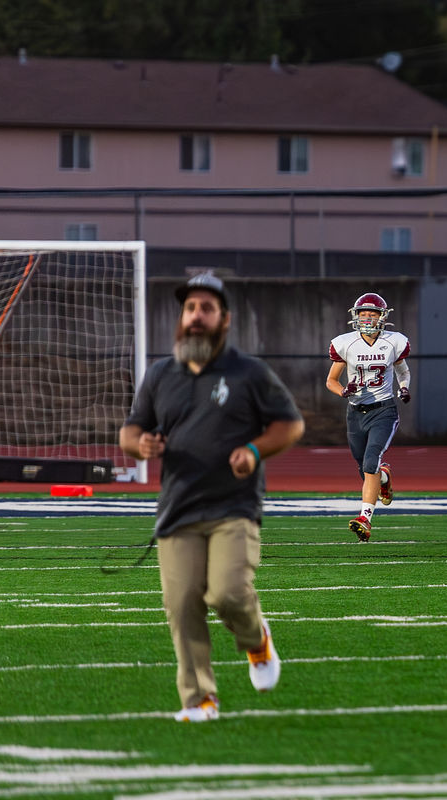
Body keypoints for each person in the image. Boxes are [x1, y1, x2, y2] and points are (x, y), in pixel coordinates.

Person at [119, 273, 305, 723]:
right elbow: (131, 430)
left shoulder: (250, 373)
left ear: (225, 319)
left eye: (206, 308)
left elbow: (290, 425)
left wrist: (256, 450)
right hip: (178, 509)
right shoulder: (161, 374)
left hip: (233, 508)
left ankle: (256, 641)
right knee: (183, 605)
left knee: (227, 593)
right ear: (180, 318)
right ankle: (199, 700)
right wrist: (140, 445)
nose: (196, 316)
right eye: (189, 308)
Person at [325, 292, 411, 542]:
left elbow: (403, 372)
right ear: (355, 316)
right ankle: (384, 478)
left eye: (372, 314)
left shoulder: (394, 341)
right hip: (355, 412)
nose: (367, 318)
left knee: (371, 460)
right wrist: (343, 391)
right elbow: (330, 380)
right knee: (365, 468)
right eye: (363, 313)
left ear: (382, 317)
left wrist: (404, 387)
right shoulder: (345, 343)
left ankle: (365, 518)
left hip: (383, 409)